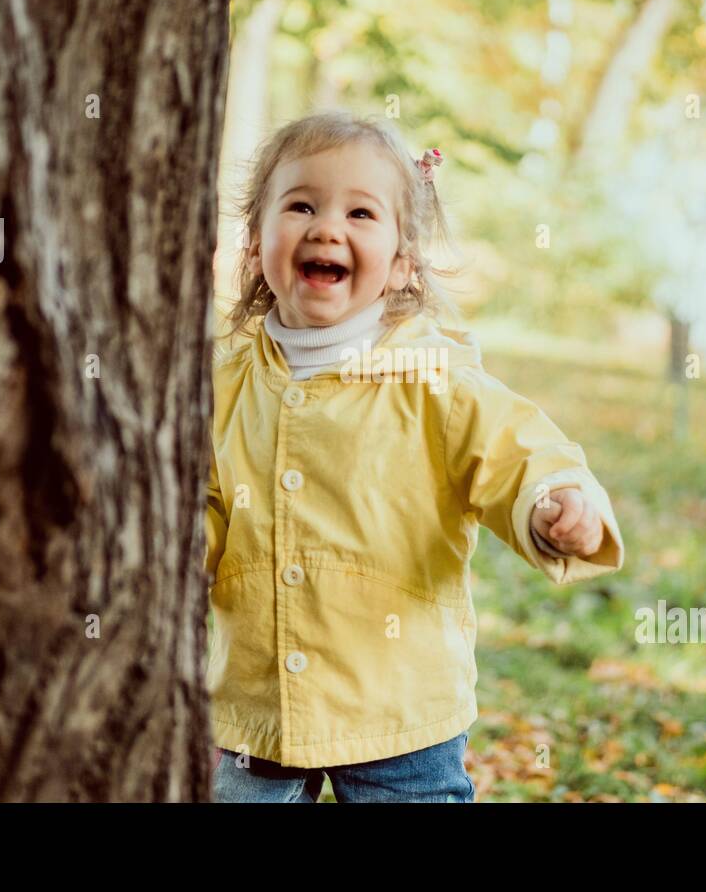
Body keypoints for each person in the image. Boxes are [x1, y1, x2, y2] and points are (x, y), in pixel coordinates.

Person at [205, 109, 626, 802]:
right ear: (256, 242)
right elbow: (209, 498)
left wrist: (555, 500)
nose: (326, 228)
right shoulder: (226, 380)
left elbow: (515, 448)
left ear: (403, 263)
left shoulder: (435, 377)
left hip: (402, 704)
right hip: (261, 699)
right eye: (301, 204)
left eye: (361, 213)